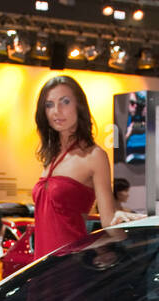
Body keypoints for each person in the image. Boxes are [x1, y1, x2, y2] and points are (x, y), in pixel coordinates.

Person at [31, 75, 118, 258]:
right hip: (42, 269)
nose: (56, 111)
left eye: (65, 102)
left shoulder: (94, 156)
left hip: (71, 270)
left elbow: (109, 224)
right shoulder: (51, 157)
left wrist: (137, 229)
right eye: (49, 105)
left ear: (79, 106)